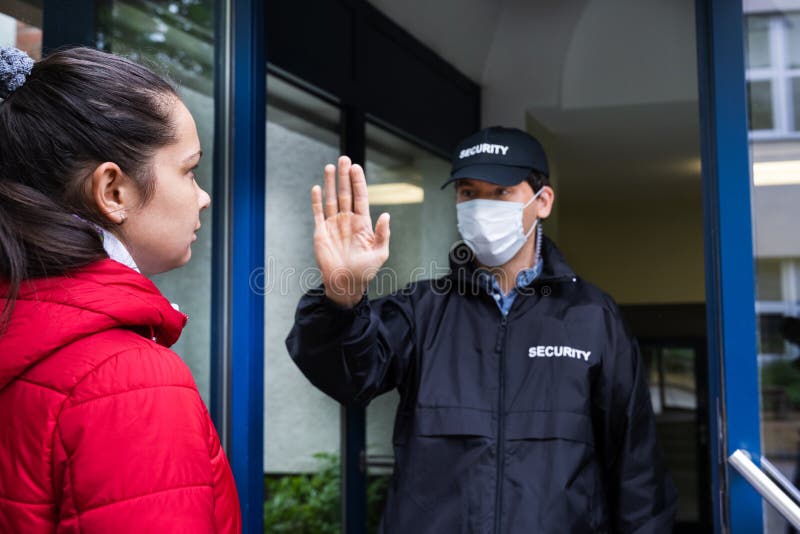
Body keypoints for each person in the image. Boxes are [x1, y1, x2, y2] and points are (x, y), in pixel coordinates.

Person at [286, 127, 677, 533]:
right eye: (469, 193)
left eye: (501, 192)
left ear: (542, 202)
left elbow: (637, 470)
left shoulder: (592, 317)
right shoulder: (422, 310)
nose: (481, 207)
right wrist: (342, 293)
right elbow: (347, 375)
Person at [0, 47, 240, 532]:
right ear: (113, 191)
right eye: (189, 171)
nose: (204, 197)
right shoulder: (127, 380)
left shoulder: (20, 326)